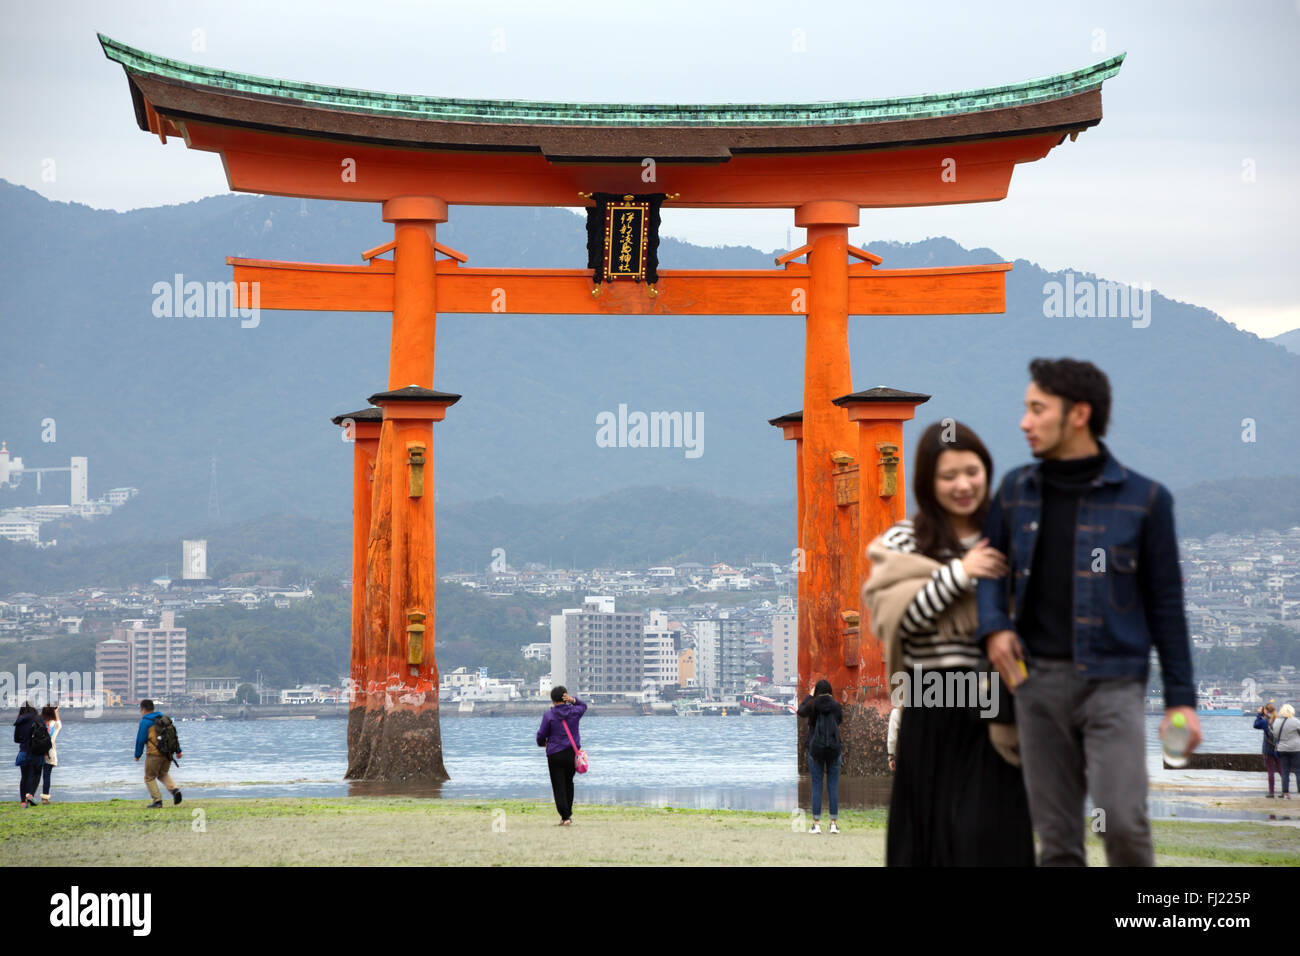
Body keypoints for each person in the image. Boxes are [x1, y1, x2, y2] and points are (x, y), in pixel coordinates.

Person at [978, 358, 1200, 867]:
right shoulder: (1015, 491)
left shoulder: (1146, 501)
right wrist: (994, 628)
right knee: (1056, 844)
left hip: (1114, 685)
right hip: (1037, 685)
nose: (1024, 422)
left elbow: (1167, 603)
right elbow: (989, 572)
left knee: (1122, 821)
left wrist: (1182, 701)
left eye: (1037, 409)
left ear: (1078, 414)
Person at [864, 419, 1034, 866]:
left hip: (997, 706)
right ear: (927, 480)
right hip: (929, 708)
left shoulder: (1010, 538)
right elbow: (898, 622)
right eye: (948, 475)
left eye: (972, 472)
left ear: (987, 471)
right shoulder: (904, 542)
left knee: (992, 837)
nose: (963, 485)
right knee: (925, 843)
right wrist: (962, 574)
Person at [797, 678, 843, 834]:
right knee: (833, 786)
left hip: (815, 750)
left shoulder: (812, 704)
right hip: (833, 750)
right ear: (830, 690)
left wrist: (809, 696)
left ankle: (816, 824)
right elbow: (839, 721)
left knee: (816, 786)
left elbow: (800, 711)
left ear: (816, 691)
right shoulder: (836, 706)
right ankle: (833, 824)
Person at [536, 686, 586, 825]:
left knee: (558, 786)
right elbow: (584, 705)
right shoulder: (575, 711)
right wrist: (573, 700)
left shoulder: (549, 715)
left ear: (553, 700)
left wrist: (542, 743)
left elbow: (541, 735)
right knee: (568, 783)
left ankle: (565, 817)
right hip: (571, 753)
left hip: (554, 754)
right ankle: (568, 814)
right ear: (565, 698)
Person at [134, 699, 182, 808]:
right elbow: (173, 736)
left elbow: (140, 740)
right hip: (168, 754)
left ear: (143, 709)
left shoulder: (145, 721)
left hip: (154, 754)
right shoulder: (163, 719)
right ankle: (175, 790)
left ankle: (157, 801)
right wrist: (179, 751)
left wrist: (137, 755)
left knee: (149, 777)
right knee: (162, 774)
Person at [13, 702, 47, 808]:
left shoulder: (20, 720)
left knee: (24, 777)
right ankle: (30, 795)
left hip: (23, 752)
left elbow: (16, 739)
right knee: (37, 774)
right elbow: (45, 736)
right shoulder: (39, 719)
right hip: (37, 752)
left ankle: (23, 802)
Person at [1272, 704, 1300, 799]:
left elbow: (1275, 735)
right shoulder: (1295, 721)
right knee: (1298, 770)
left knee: (1285, 771)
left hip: (1282, 749)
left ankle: (1285, 792)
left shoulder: (1276, 721)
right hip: (1296, 749)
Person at [1254, 702, 1280, 797]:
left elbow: (1255, 725)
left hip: (1268, 748)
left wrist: (1259, 714)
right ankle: (1286, 790)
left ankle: (1271, 792)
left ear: (1265, 710)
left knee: (1271, 771)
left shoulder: (1265, 721)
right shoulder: (1278, 720)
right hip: (1278, 748)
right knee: (1281, 770)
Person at [39, 704, 61, 804]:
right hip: (49, 752)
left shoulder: (39, 723)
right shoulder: (54, 724)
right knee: (46, 776)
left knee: (33, 775)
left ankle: (28, 796)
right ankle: (45, 798)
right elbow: (59, 724)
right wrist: (56, 712)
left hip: (37, 751)